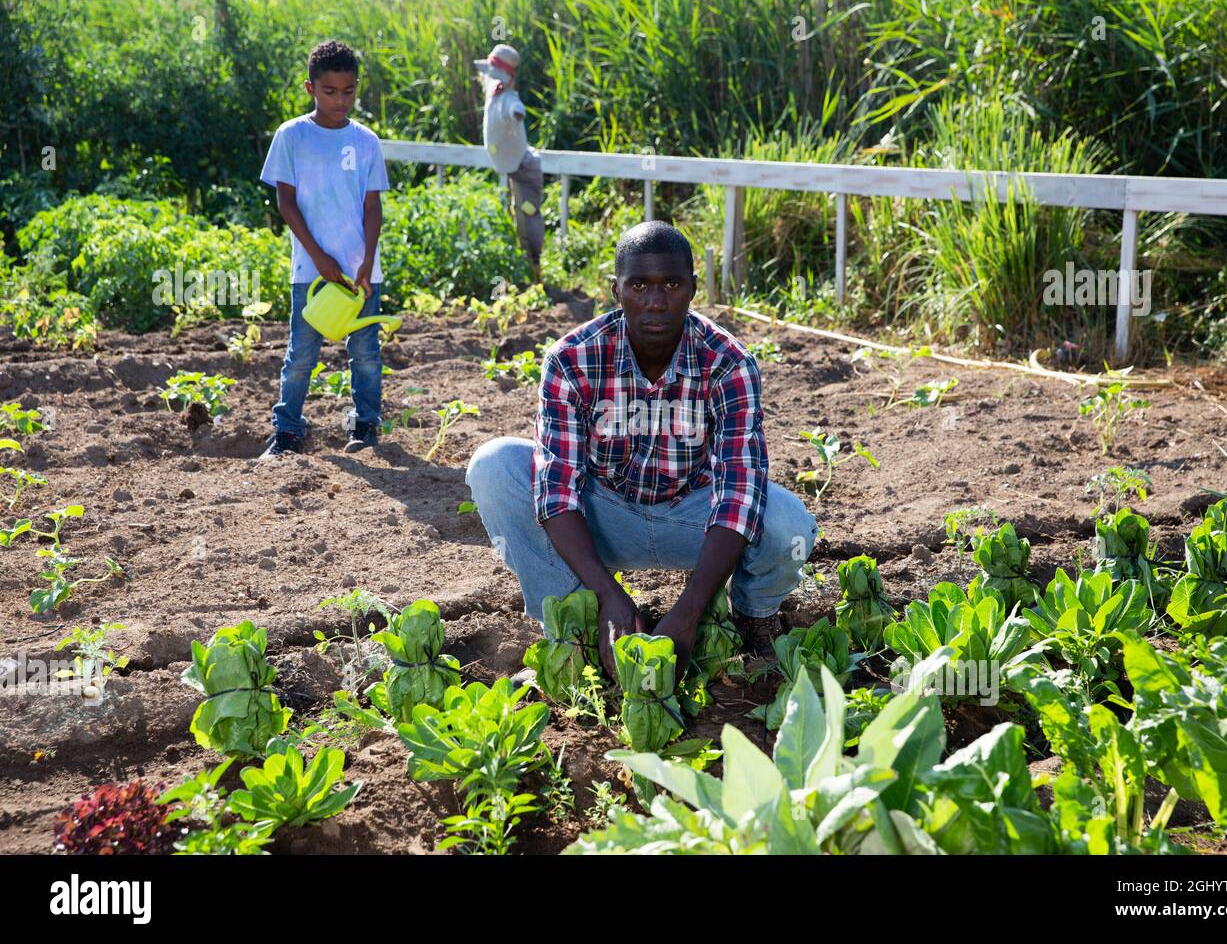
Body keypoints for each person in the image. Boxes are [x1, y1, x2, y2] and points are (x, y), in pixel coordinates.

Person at [465, 221, 818, 683]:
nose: (655, 302)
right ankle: (574, 623)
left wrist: (688, 613)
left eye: (672, 284)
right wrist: (609, 595)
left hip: (691, 519)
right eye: (639, 285)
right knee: (496, 466)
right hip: (603, 518)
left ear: (693, 289)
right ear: (616, 290)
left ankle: (752, 616)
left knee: (786, 521)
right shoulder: (573, 358)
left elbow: (738, 494)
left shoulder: (728, 363)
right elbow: (557, 492)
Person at [260, 39, 391, 458]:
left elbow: (373, 206)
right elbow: (286, 200)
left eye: (349, 91)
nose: (340, 100)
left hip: (360, 275)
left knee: (366, 354)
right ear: (310, 88)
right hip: (310, 271)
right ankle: (287, 431)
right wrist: (318, 256)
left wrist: (367, 263)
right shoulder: (292, 136)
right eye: (329, 91)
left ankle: (366, 426)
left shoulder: (366, 140)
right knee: (300, 355)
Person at [474, 43, 545, 283]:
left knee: (528, 214)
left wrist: (517, 114)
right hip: (512, 165)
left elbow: (515, 108)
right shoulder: (494, 95)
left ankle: (534, 266)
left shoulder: (506, 98)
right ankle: (525, 268)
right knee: (516, 214)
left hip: (524, 168)